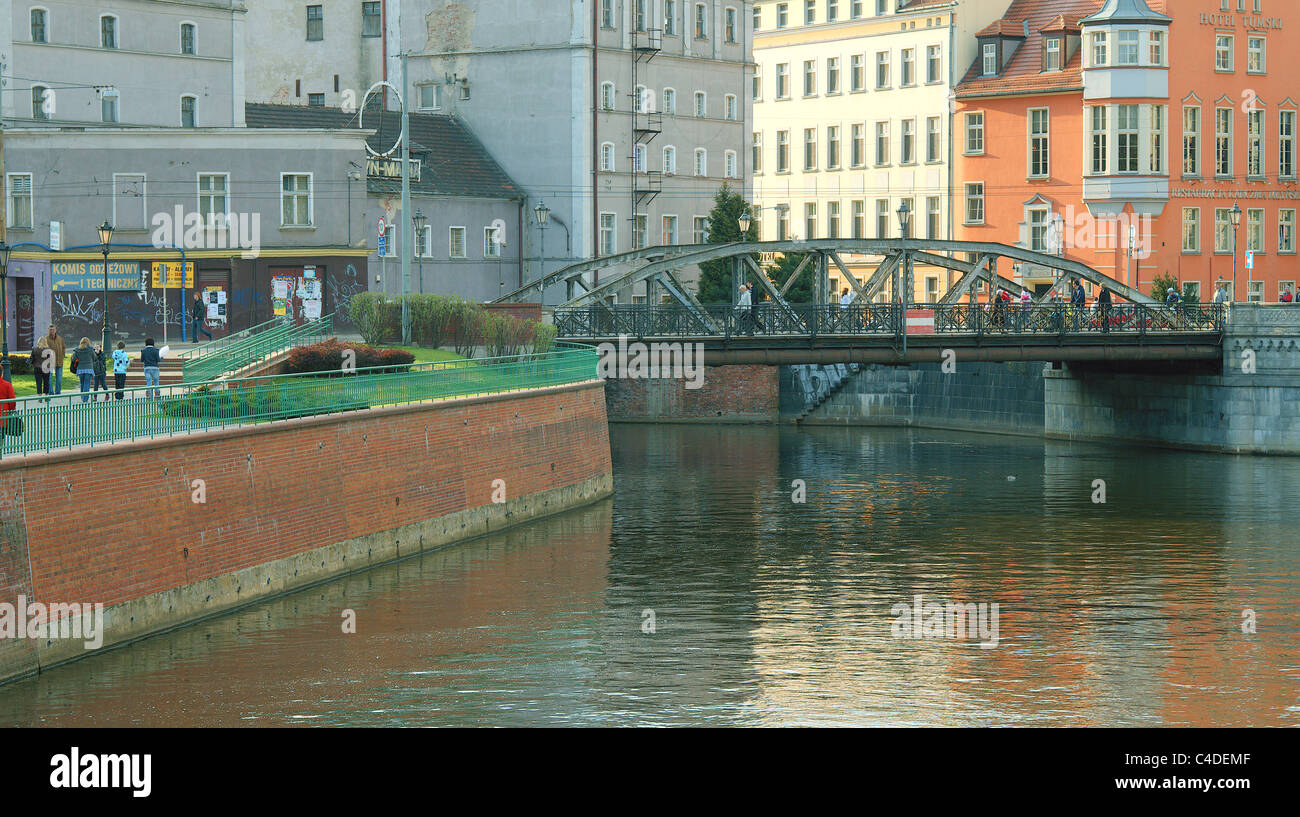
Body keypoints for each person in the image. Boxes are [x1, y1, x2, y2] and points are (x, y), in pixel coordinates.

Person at [70, 338, 96, 403]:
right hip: (89, 369)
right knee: (87, 384)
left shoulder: (77, 350)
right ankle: (85, 399)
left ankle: (82, 397)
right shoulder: (90, 350)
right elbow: (95, 357)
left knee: (82, 384)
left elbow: (73, 359)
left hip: (80, 369)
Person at [44, 325, 65, 395]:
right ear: (48, 330)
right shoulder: (46, 339)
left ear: (55, 330)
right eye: (50, 329)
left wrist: (62, 356)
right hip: (49, 362)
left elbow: (64, 348)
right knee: (49, 378)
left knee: (59, 378)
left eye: (53, 329)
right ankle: (50, 392)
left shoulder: (59, 339)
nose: (51, 331)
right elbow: (43, 350)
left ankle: (58, 391)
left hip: (59, 361)